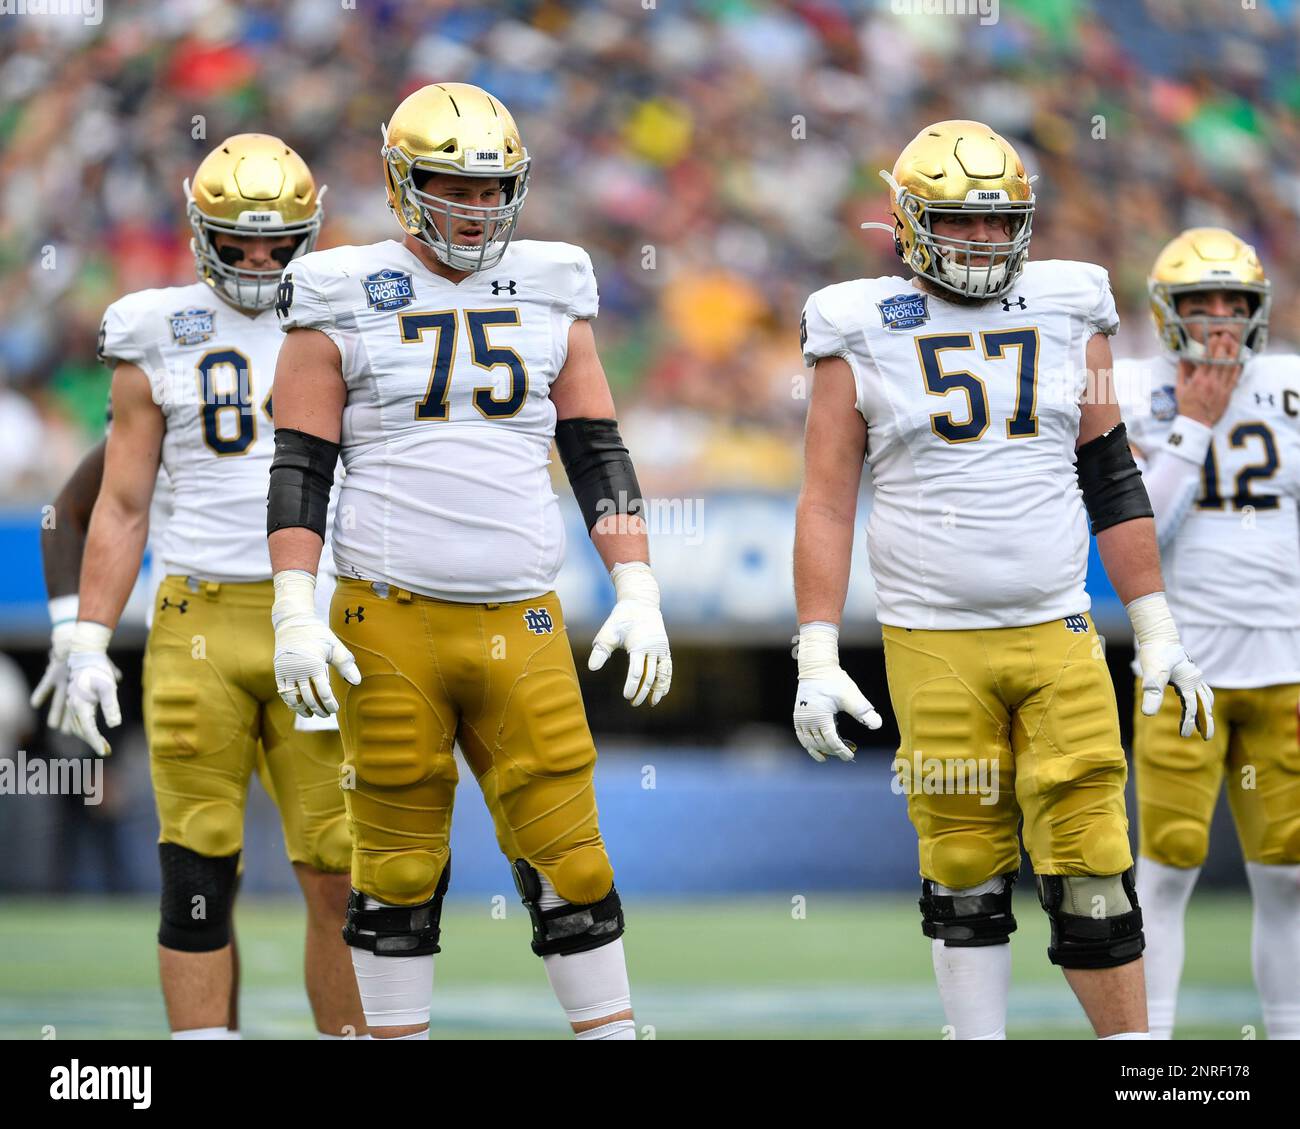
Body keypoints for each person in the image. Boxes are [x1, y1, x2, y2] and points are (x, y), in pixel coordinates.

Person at [266, 82, 671, 1041]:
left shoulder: (552, 281)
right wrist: (292, 604)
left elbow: (596, 448)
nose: (478, 208)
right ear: (406, 184)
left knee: (573, 858)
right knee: (397, 868)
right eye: (455, 185)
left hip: (520, 616)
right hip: (387, 615)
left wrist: (638, 582)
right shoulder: (339, 287)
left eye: (494, 190)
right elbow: (300, 468)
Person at [793, 120, 1213, 1039]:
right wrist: (816, 649)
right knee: (962, 867)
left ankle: (1138, 1064)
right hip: (929, 636)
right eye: (960, 221)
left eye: (999, 222)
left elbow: (1110, 473)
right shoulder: (860, 323)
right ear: (908, 221)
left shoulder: (1069, 304)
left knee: (1097, 867)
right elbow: (827, 500)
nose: (984, 241)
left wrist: (1156, 627)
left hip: (1056, 628)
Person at [60, 133, 365, 1039]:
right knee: (195, 867)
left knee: (341, 870)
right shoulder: (154, 326)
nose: (262, 259)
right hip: (200, 616)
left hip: (321, 613)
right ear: (201, 233)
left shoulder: (351, 311)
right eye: (240, 241)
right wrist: (84, 636)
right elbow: (119, 504)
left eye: (280, 242)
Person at [1121, 226, 1300, 1040]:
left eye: (1235, 302)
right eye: (1202, 302)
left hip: (1287, 661)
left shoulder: (1290, 383)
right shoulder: (1131, 390)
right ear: (1170, 312)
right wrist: (1193, 422)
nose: (1221, 318)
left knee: (1289, 878)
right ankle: (1150, 1054)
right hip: (1180, 666)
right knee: (1164, 869)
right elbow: (1135, 531)